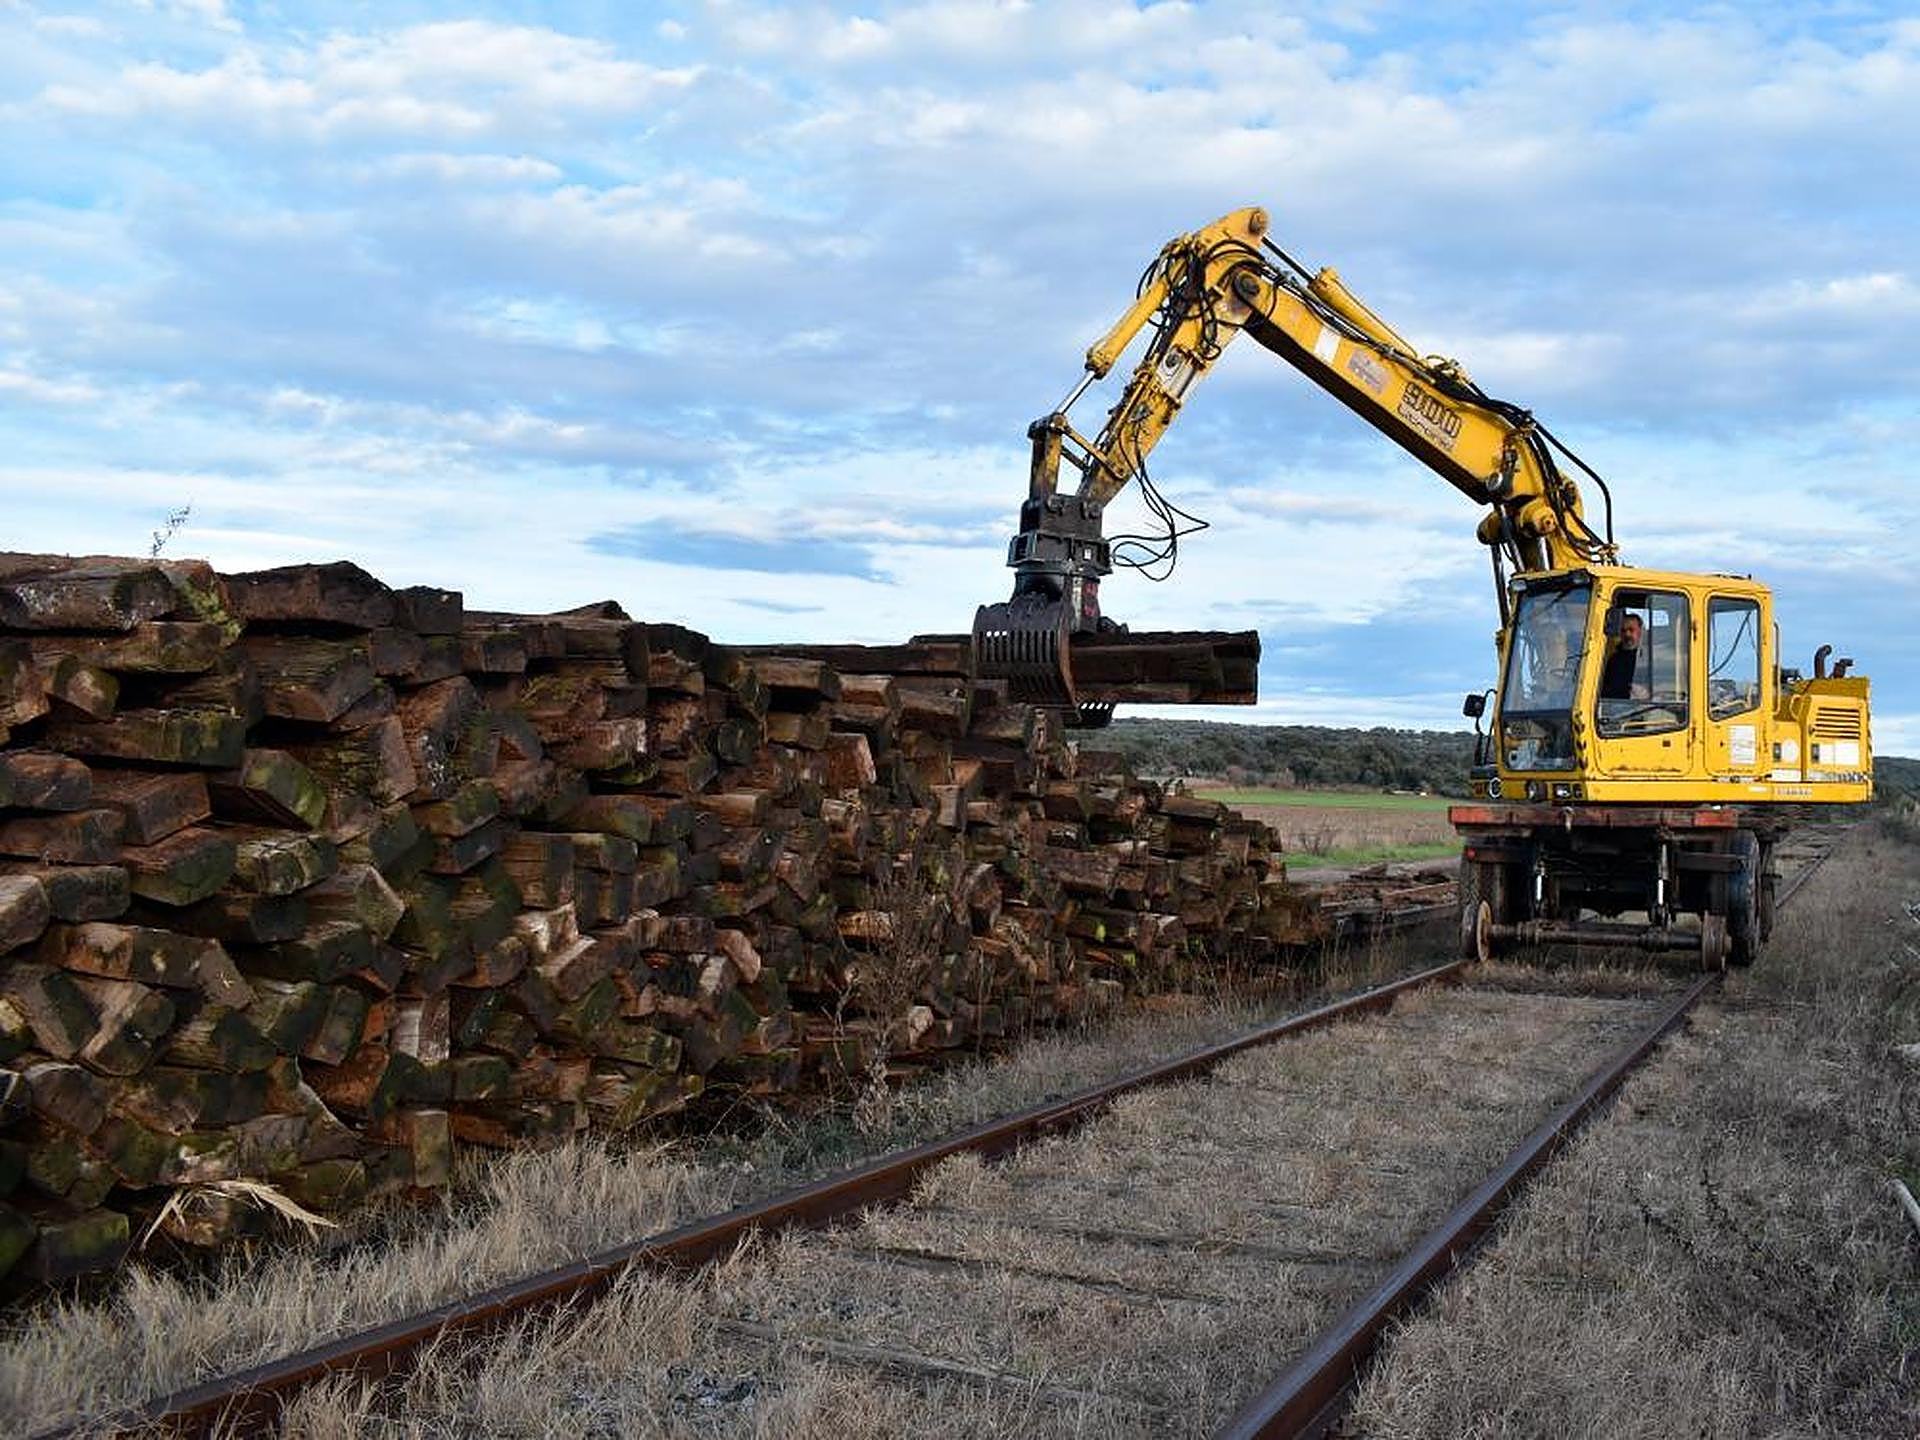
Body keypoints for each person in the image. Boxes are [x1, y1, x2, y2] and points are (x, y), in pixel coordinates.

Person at [1599, 612, 1647, 700]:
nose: (1627, 634)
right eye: (1623, 631)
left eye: (1631, 630)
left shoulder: (1649, 659)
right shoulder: (1613, 660)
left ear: (1640, 632)